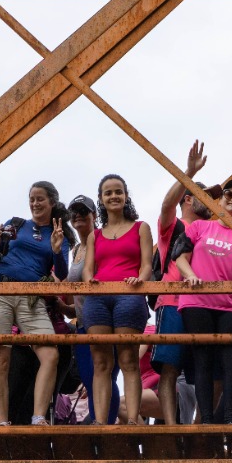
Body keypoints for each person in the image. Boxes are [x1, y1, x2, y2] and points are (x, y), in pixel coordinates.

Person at [0, 181, 72, 425]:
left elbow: (61, 274)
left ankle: (39, 416)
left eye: (40, 198)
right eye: (31, 198)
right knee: (0, 359)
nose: (35, 203)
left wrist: (56, 249)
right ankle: (1, 423)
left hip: (31, 298)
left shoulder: (59, 233)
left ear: (52, 202)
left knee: (50, 354)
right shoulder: (17, 224)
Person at [175, 174, 232, 425]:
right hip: (198, 302)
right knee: (203, 361)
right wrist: (191, 276)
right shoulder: (200, 226)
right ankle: (206, 420)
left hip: (231, 305)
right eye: (229, 195)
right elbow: (180, 257)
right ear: (219, 200)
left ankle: (229, 418)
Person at [83, 174, 153, 425]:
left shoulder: (141, 227)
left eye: (118, 192)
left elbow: (147, 265)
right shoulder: (95, 235)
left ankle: (133, 419)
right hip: (98, 298)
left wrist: (139, 279)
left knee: (128, 358)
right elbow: (88, 269)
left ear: (125, 196)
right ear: (101, 199)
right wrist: (89, 280)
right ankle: (100, 422)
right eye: (108, 193)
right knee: (100, 360)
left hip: (129, 294)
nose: (114, 196)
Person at [152, 141, 212, 426]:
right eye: (204, 195)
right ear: (187, 199)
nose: (211, 202)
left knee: (208, 370)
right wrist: (188, 172)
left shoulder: (213, 229)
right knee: (170, 369)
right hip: (173, 303)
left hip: (206, 305)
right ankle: (172, 429)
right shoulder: (174, 227)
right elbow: (166, 205)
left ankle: (198, 427)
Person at [64, 195, 118, 425]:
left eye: (82, 211)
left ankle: (105, 427)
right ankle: (99, 425)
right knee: (88, 377)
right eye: (73, 212)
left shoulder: (103, 239)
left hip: (106, 321)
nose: (77, 216)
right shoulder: (75, 249)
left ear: (94, 216)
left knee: (104, 375)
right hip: (83, 322)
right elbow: (72, 293)